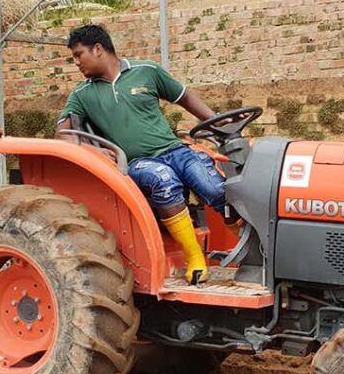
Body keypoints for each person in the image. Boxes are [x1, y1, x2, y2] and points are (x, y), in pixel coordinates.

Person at [56, 24, 226, 284]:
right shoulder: (82, 95)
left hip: (175, 150)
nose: (76, 62)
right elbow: (63, 135)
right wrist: (95, 149)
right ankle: (195, 259)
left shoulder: (147, 71)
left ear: (98, 49)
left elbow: (185, 98)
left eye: (79, 55)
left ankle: (249, 256)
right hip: (138, 162)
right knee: (163, 179)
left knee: (214, 187)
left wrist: (219, 124)